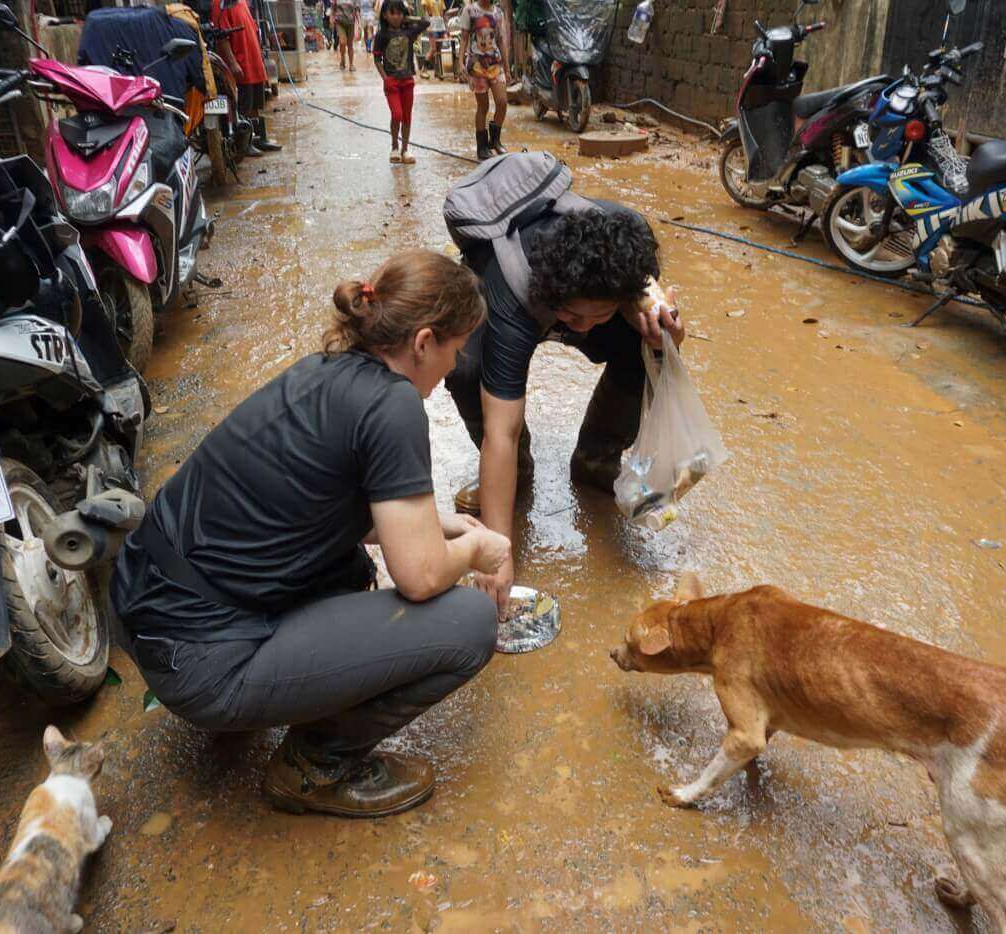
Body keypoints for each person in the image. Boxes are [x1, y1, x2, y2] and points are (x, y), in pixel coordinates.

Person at [111, 250, 508, 818]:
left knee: (353, 570)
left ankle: (278, 687)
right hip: (200, 660)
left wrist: (439, 522)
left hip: (147, 611)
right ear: (423, 342)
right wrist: (477, 546)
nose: (457, 364)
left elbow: (327, 502)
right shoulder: (395, 405)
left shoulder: (330, 369)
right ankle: (313, 767)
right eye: (456, 347)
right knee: (468, 623)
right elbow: (420, 577)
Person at [444, 204, 683, 618]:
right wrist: (498, 554)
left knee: (641, 344)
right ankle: (515, 474)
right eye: (572, 316)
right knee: (466, 369)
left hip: (585, 297)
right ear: (553, 299)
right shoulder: (511, 290)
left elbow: (667, 365)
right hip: (517, 295)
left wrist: (666, 343)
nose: (583, 328)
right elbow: (502, 430)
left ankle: (596, 460)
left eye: (600, 315)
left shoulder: (628, 262)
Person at [212, 0, 280, 153]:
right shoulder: (220, 3)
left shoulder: (241, 2)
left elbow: (253, 30)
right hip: (241, 62)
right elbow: (221, 38)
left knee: (256, 103)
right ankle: (245, 144)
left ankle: (259, 138)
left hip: (253, 60)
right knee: (244, 105)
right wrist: (232, 63)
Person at [372, 0, 429, 165]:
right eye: (392, 13)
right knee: (397, 114)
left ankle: (405, 149)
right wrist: (385, 78)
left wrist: (408, 18)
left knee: (407, 117)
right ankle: (394, 146)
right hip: (392, 83)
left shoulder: (409, 32)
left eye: (399, 13)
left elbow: (426, 22)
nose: (396, 17)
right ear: (385, 15)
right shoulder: (382, 35)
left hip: (407, 81)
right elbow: (377, 59)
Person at [457, 0, 508, 160]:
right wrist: (460, 63)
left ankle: (495, 140)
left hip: (495, 64)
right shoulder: (470, 11)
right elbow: (464, 39)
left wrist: (507, 67)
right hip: (477, 66)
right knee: (483, 106)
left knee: (502, 102)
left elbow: (501, 41)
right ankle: (482, 147)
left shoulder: (498, 13)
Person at [333, 0, 359, 69]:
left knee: (350, 44)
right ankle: (342, 58)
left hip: (351, 23)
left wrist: (359, 23)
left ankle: (351, 64)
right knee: (342, 41)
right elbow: (333, 7)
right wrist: (331, 18)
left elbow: (357, 10)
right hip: (339, 22)